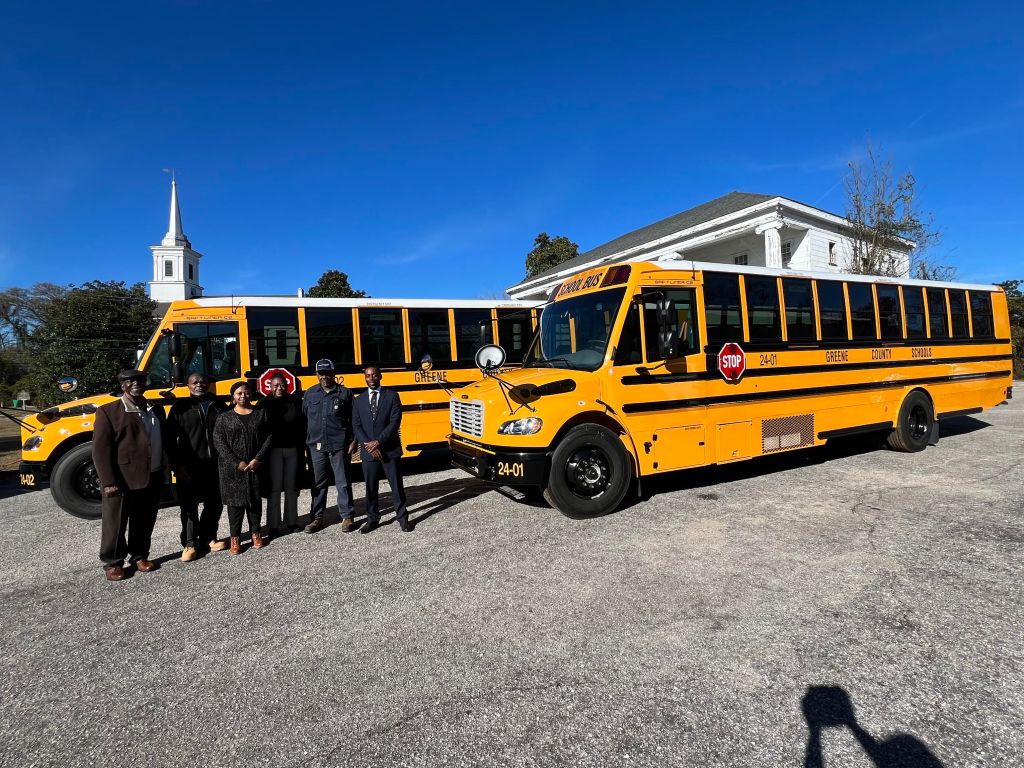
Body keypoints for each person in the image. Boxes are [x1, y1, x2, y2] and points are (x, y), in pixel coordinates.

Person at [92, 369, 167, 581]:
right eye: (130, 381)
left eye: (141, 380)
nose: (136, 384)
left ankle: (139, 556)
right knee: (115, 523)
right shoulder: (108, 411)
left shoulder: (155, 409)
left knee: (144, 520)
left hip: (152, 474)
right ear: (122, 385)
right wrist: (108, 482)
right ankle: (113, 562)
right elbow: (100, 450)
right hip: (122, 478)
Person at [166, 372, 227, 561]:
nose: (199, 384)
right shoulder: (180, 407)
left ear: (208, 384)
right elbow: (169, 440)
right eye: (195, 382)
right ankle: (190, 543)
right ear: (188, 385)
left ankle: (209, 537)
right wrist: (177, 466)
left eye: (203, 381)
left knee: (214, 503)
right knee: (189, 506)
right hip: (190, 465)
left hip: (215, 464)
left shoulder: (218, 405)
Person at [212, 381, 272, 554]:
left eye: (246, 393)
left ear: (251, 394)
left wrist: (258, 458)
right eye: (239, 393)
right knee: (235, 505)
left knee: (254, 501)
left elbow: (268, 437)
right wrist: (236, 462)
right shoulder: (224, 417)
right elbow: (219, 441)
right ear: (233, 397)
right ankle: (235, 537)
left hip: (254, 467)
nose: (243, 396)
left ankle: (256, 532)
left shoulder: (260, 414)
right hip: (232, 470)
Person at [352, 365, 412, 533]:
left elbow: (394, 422)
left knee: (396, 486)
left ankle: (402, 518)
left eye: (374, 375)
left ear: (380, 376)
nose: (371, 378)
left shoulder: (392, 396)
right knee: (370, 487)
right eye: (368, 375)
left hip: (389, 449)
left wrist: (378, 442)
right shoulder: (359, 400)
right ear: (365, 378)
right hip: (368, 452)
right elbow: (356, 425)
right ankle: (372, 519)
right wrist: (369, 445)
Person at [302, 358, 357, 534]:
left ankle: (347, 516)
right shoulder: (310, 394)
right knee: (318, 483)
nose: (324, 376)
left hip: (339, 445)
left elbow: (354, 420)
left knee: (343, 482)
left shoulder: (345, 393)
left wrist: (354, 441)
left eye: (328, 372)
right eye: (321, 373)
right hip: (316, 447)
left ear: (334, 373)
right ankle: (317, 518)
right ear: (317, 375)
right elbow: (305, 419)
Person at [260, 373, 306, 536]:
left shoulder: (295, 402)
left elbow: (303, 424)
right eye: (276, 385)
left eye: (282, 385)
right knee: (275, 488)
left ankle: (291, 521)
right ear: (270, 387)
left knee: (291, 487)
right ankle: (273, 525)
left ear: (287, 386)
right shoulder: (264, 404)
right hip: (273, 452)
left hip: (293, 449)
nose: (279, 388)